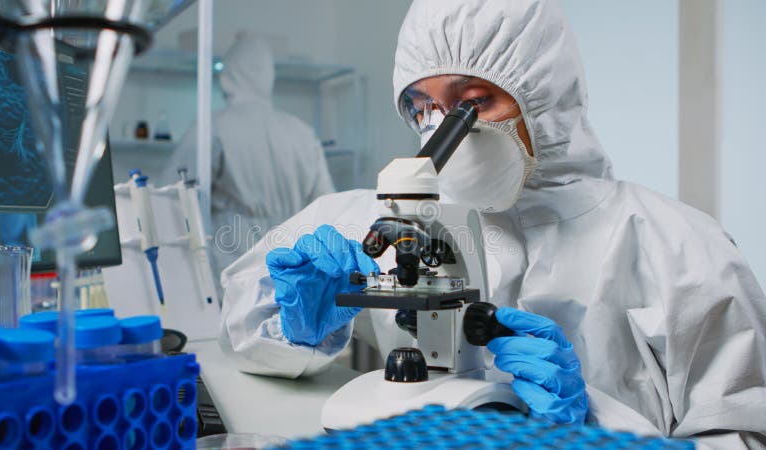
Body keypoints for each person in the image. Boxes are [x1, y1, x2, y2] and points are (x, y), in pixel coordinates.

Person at [219, 1, 766, 447]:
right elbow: (241, 319)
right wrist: (296, 327)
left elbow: (744, 434)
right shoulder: (382, 217)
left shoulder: (681, 248)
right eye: (421, 108)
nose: (440, 131)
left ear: (544, 97)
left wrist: (604, 431)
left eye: (473, 103)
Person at [161, 34, 335, 272]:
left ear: (229, 74)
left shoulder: (214, 126)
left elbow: (171, 194)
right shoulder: (302, 133)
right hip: (291, 265)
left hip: (232, 261)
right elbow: (327, 206)